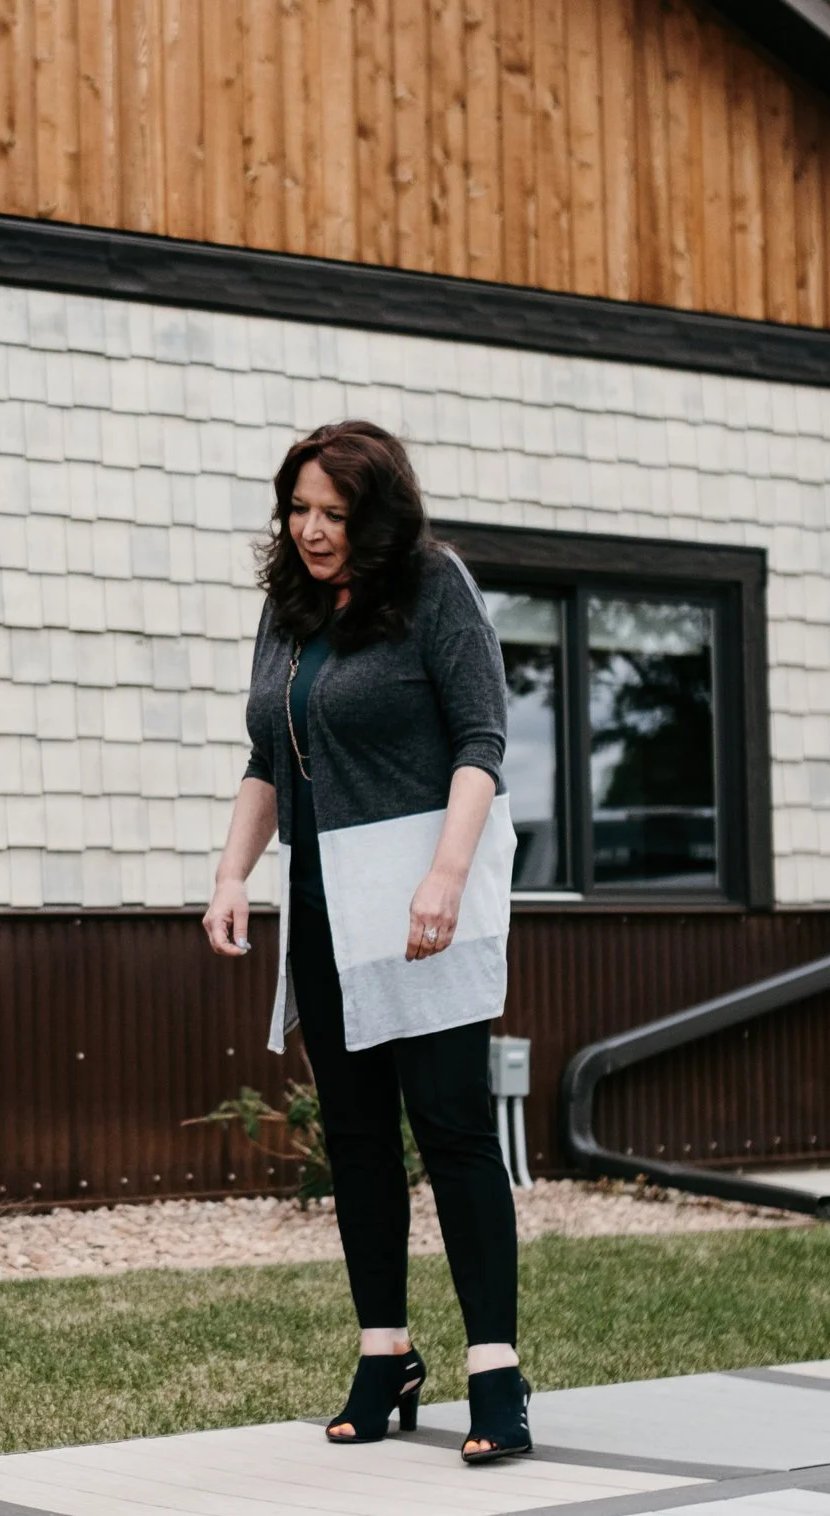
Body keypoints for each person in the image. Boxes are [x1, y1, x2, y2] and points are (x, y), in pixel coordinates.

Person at [201, 421, 528, 1462]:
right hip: (324, 900)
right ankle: (384, 1352)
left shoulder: (435, 587)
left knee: (451, 1127)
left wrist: (444, 872)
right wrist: (229, 876)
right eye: (297, 510)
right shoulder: (288, 610)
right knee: (354, 1135)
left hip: (420, 900)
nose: (310, 531)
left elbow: (481, 739)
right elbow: (267, 754)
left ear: (375, 515)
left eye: (333, 514)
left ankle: (496, 1367)